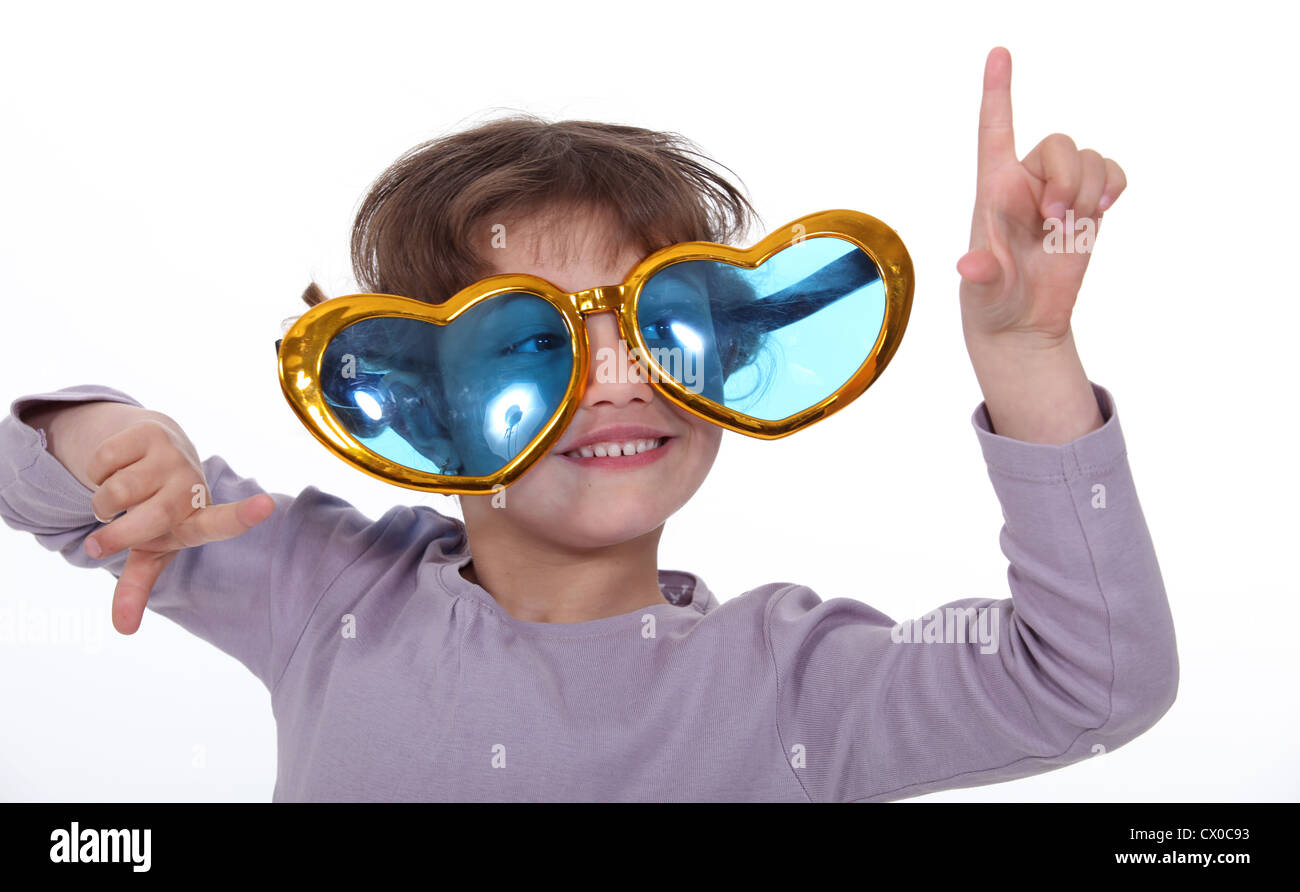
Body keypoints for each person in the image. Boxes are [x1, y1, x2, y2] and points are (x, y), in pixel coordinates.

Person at [0, 47, 1178, 801]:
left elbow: (1094, 682)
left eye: (666, 324)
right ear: (414, 396)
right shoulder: (326, 588)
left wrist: (1028, 354)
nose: (620, 380)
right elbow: (40, 485)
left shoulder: (795, 683)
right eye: (532, 341)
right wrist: (108, 438)